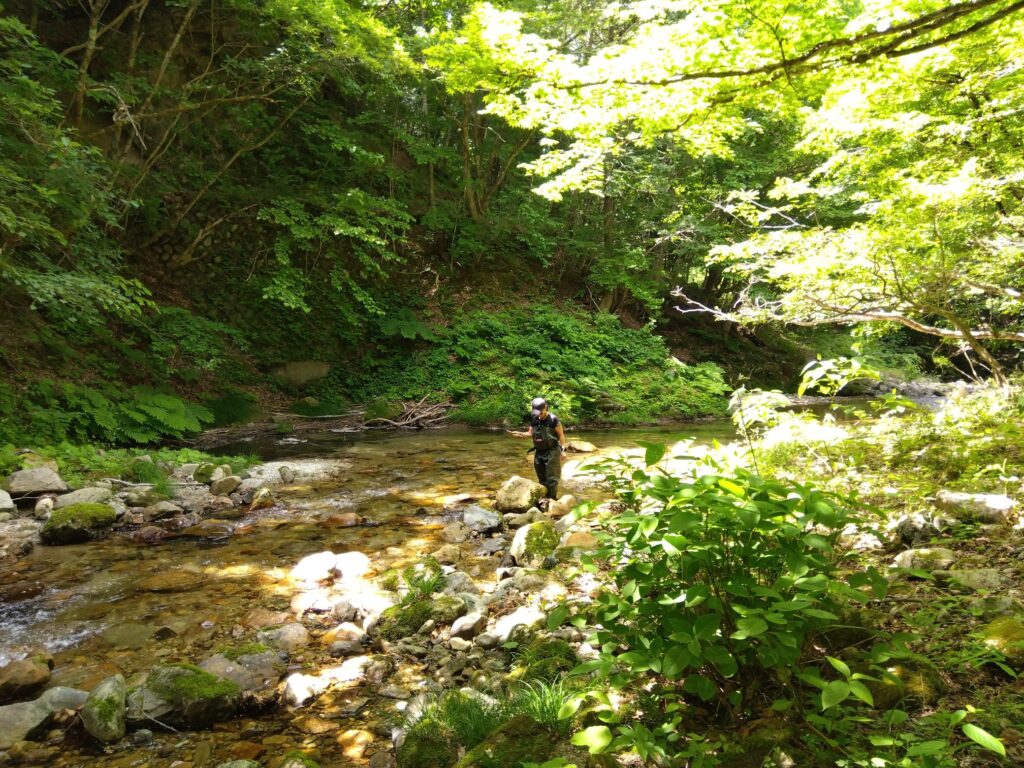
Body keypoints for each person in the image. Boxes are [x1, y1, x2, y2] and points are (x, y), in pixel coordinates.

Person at [508, 396, 568, 499]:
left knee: (552, 478)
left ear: (545, 408)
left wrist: (563, 450)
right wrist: (519, 434)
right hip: (539, 451)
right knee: (541, 476)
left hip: (552, 451)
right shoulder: (535, 419)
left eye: (541, 412)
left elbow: (561, 435)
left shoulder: (553, 420)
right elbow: (530, 433)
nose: (539, 415)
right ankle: (544, 497)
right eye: (537, 412)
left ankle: (552, 500)